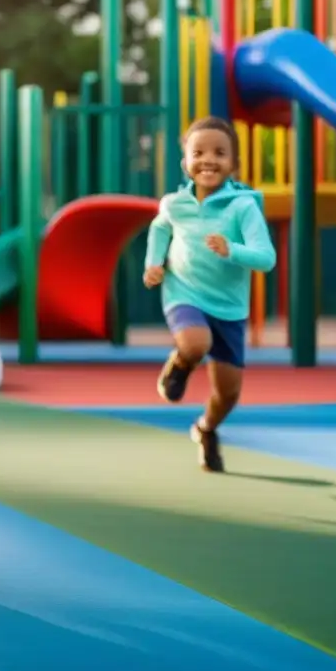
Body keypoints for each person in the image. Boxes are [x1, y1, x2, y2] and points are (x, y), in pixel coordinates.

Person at [143, 116, 276, 472]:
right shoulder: (174, 204)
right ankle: (180, 363)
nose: (208, 160)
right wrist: (153, 263)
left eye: (220, 153)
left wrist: (231, 249)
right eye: (198, 152)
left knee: (228, 395)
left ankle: (206, 429)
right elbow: (159, 228)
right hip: (182, 290)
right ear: (185, 162)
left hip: (229, 308)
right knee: (195, 343)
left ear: (234, 164)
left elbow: (266, 258)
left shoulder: (243, 207)